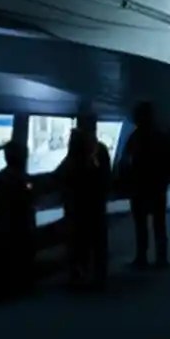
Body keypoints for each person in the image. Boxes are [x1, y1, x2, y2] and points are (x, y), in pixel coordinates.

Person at [59, 116, 112, 288]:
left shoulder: (76, 153)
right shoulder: (100, 149)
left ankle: (79, 275)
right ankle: (98, 276)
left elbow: (64, 175)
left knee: (78, 242)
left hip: (77, 205)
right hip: (95, 204)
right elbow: (106, 177)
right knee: (97, 241)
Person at [119, 102, 170, 269]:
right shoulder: (160, 135)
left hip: (140, 184)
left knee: (141, 223)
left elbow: (126, 160)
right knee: (159, 222)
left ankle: (142, 256)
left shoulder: (135, 136)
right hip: (157, 184)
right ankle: (161, 257)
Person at [0, 141, 36, 291]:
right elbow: (30, 198)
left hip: (7, 225)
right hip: (20, 225)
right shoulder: (24, 178)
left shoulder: (0, 179)